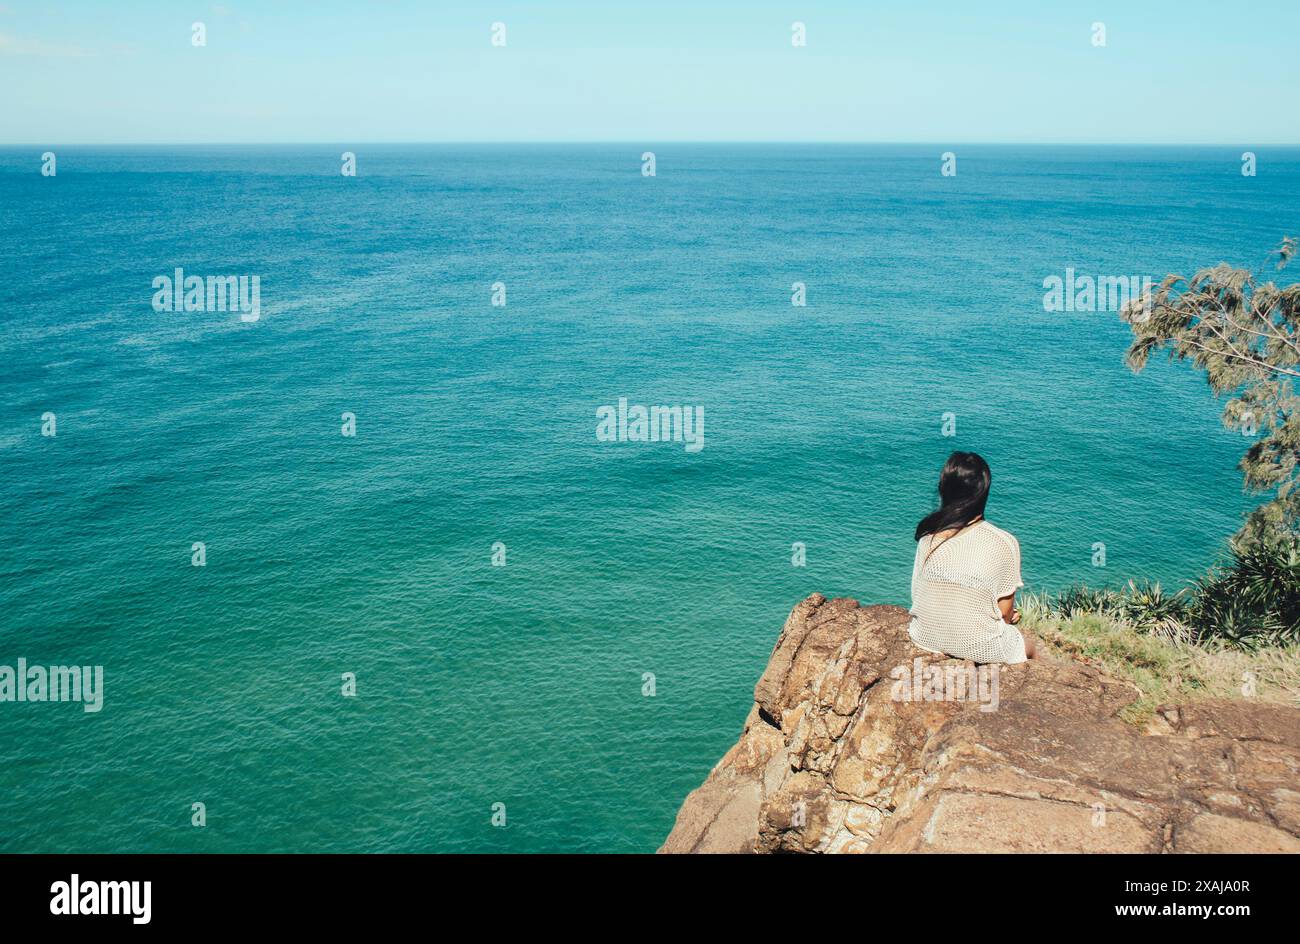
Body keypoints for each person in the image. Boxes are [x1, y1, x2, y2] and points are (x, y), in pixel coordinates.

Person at [908, 451, 1041, 663]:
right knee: (1032, 647)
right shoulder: (1004, 542)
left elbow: (918, 595)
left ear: (944, 490)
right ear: (983, 492)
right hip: (980, 647)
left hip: (924, 636)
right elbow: (1005, 616)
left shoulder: (928, 538)